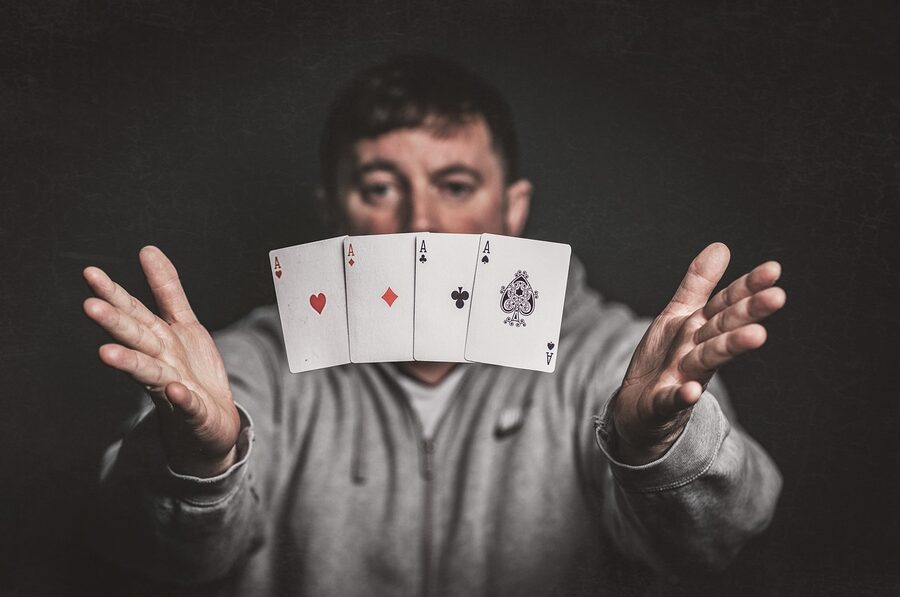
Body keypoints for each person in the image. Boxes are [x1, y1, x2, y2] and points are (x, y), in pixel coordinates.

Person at [83, 55, 786, 596]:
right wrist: (200, 460)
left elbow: (712, 544)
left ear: (513, 210)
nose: (419, 220)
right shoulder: (256, 361)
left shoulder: (608, 353)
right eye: (381, 187)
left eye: (455, 186)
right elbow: (148, 550)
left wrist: (659, 443)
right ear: (335, 210)